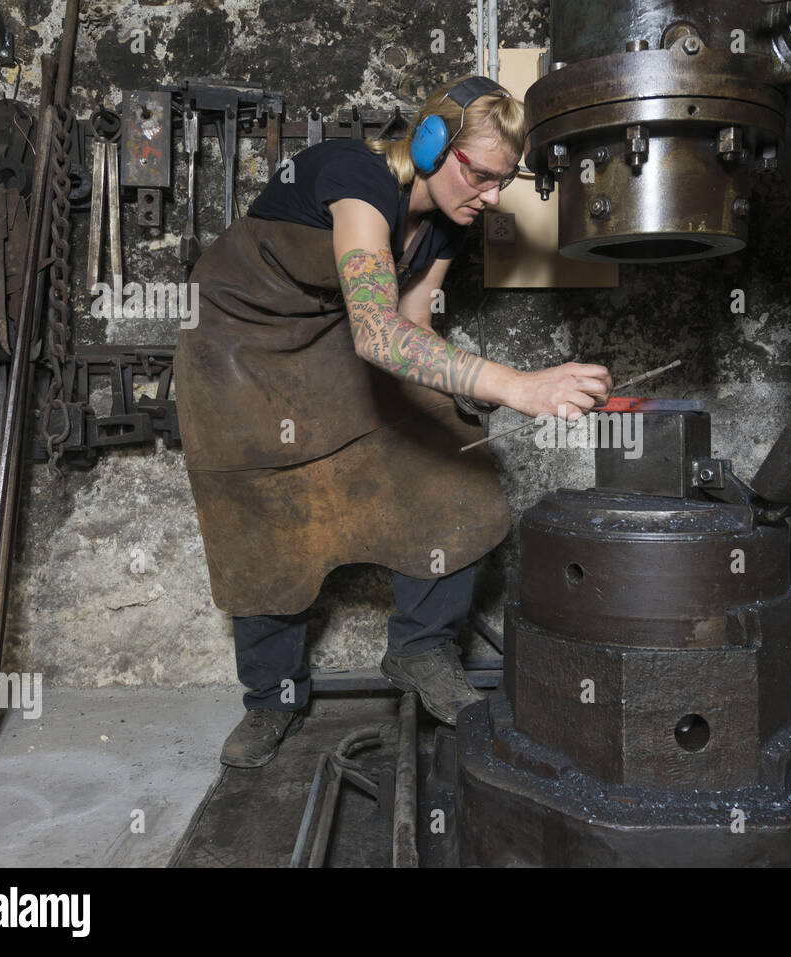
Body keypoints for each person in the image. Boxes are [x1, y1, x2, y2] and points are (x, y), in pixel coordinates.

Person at [173, 76, 612, 768]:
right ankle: (271, 701)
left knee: (451, 464)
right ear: (433, 143)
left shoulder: (444, 224)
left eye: (506, 182)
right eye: (485, 176)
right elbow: (378, 334)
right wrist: (518, 385)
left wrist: (473, 391)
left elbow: (406, 336)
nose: (494, 198)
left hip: (333, 347)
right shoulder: (357, 178)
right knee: (261, 526)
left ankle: (423, 650)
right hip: (238, 350)